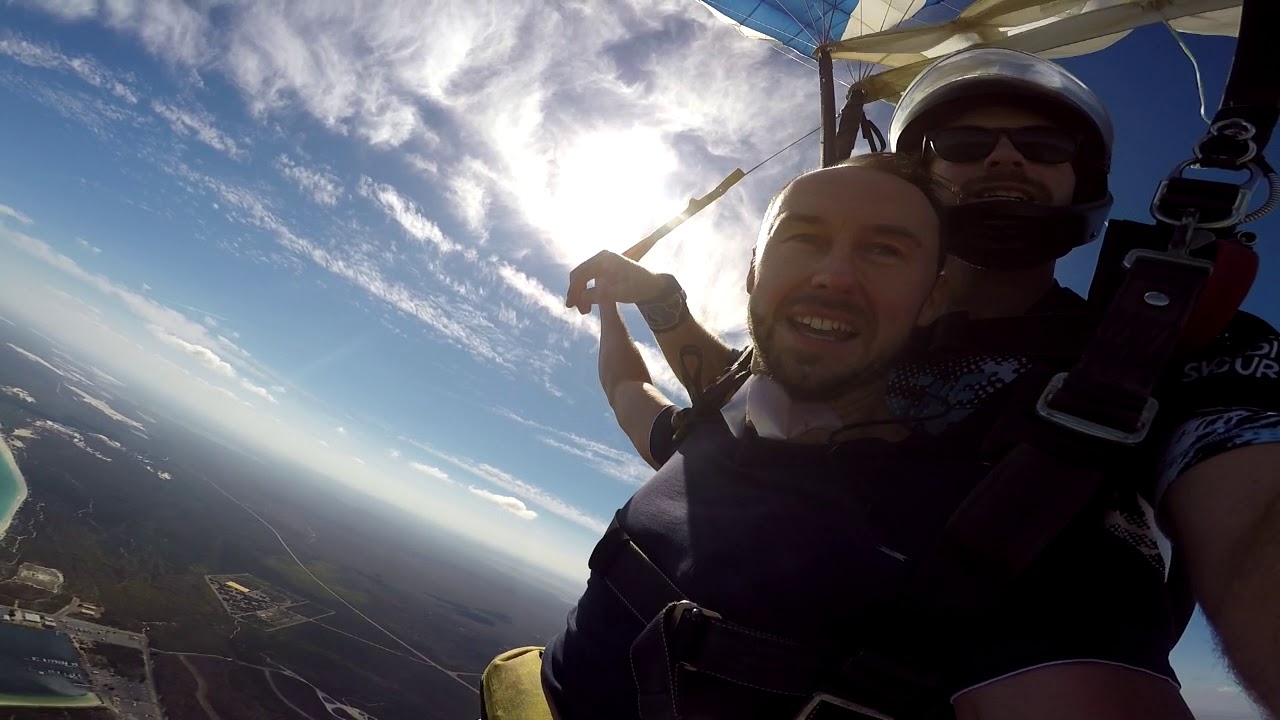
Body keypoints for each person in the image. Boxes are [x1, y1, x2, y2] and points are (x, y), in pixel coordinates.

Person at [566, 48, 1280, 717]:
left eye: (1045, 147)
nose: (1004, 155)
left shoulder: (1164, 354)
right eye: (964, 146)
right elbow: (718, 397)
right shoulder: (845, 341)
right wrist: (656, 303)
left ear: (1082, 181)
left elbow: (1255, 520)